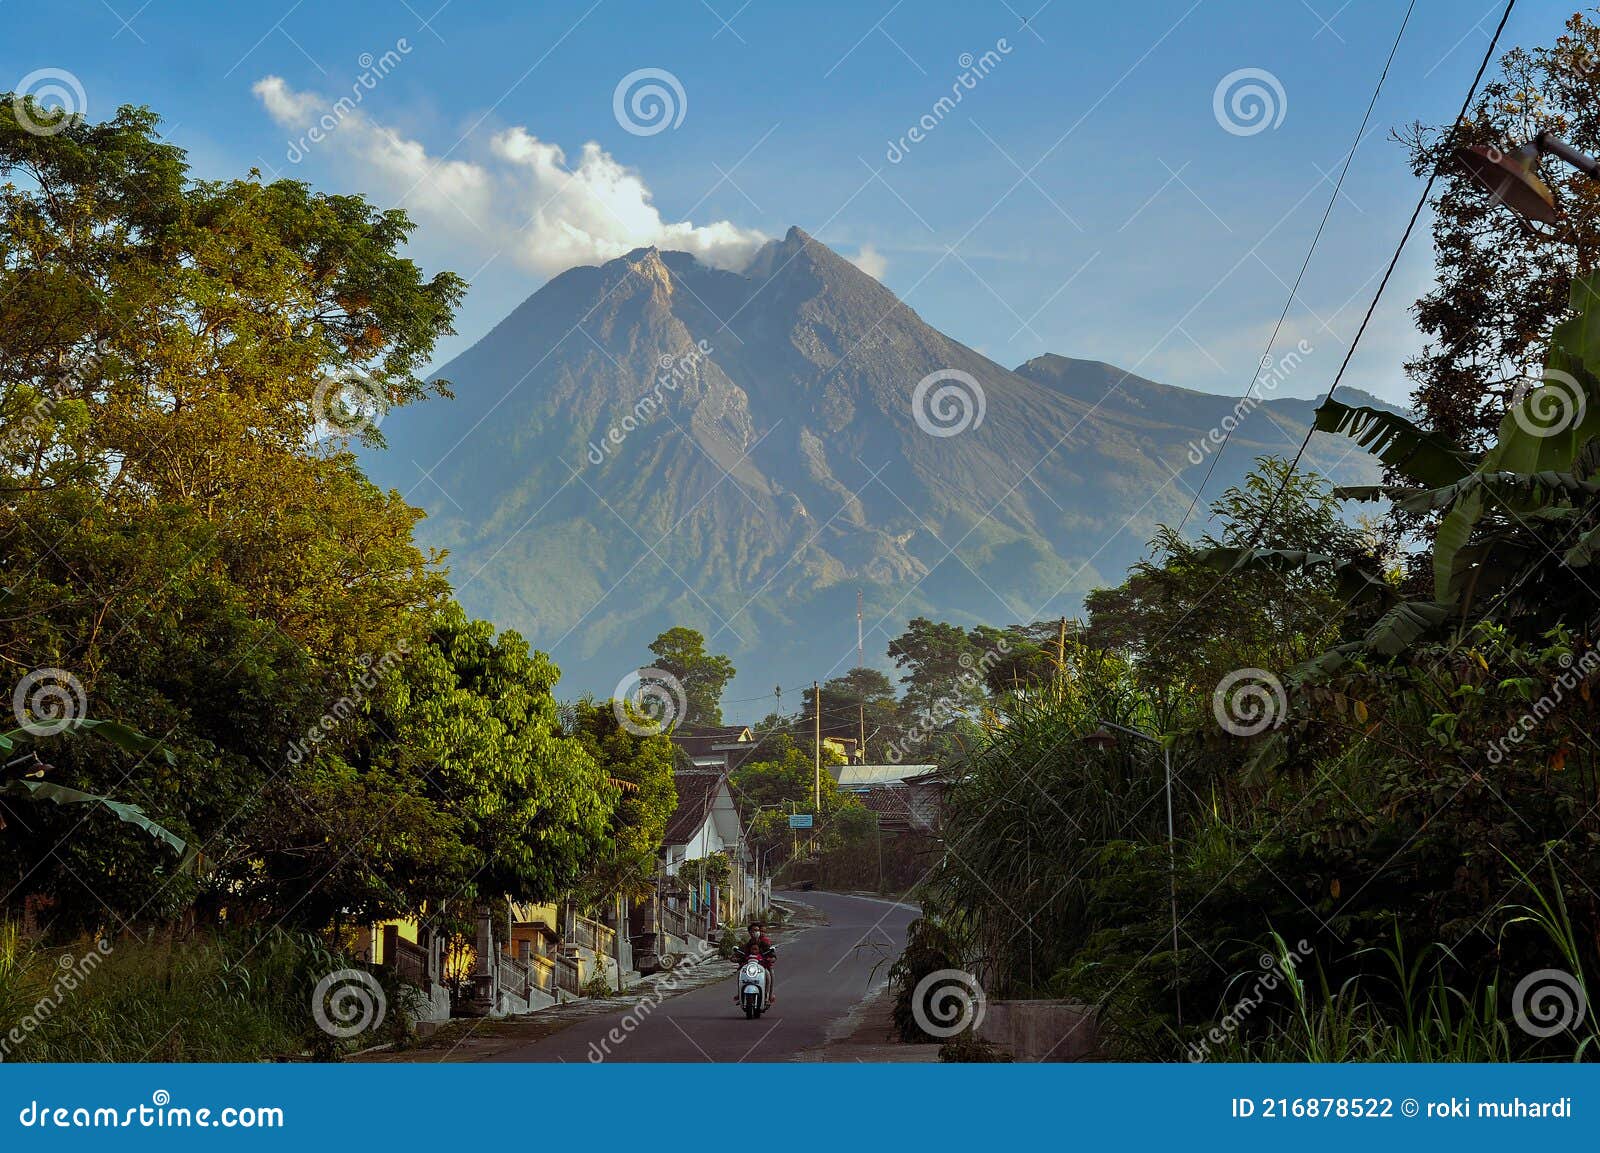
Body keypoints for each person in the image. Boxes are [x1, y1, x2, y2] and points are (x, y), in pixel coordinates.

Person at [734, 921, 776, 1006]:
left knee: (768, 975)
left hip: (762, 966)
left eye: (757, 930)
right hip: (749, 966)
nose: (756, 932)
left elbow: (772, 955)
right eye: (754, 930)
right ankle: (740, 994)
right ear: (749, 932)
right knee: (739, 974)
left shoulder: (764, 944)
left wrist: (771, 958)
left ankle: (767, 996)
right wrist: (734, 958)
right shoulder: (747, 945)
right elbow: (739, 953)